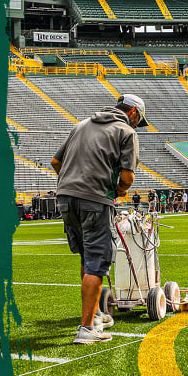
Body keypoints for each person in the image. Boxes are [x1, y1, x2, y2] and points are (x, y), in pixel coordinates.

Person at [50, 93, 148, 344]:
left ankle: (93, 316)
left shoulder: (81, 125)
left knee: (86, 255)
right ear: (133, 112)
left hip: (65, 198)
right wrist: (117, 191)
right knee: (97, 261)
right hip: (95, 200)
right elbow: (127, 178)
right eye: (139, 120)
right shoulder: (126, 132)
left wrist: (73, 182)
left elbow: (55, 162)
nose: (138, 125)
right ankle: (86, 329)